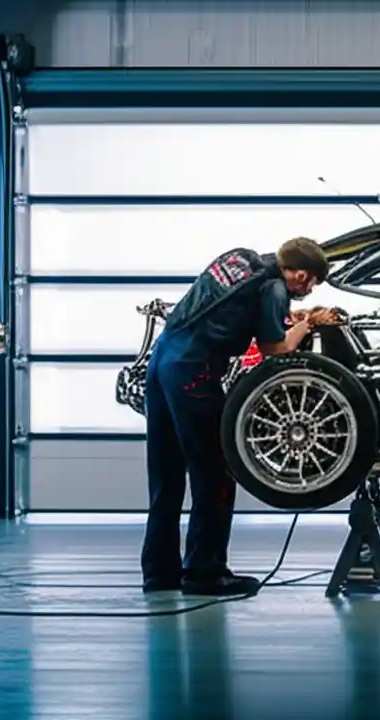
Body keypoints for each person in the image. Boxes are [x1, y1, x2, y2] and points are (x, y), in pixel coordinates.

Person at [141, 237, 335, 595]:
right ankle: (205, 572)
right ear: (303, 275)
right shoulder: (274, 287)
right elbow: (275, 348)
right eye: (311, 283)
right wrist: (307, 325)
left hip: (163, 358)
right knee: (215, 473)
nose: (307, 289)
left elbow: (232, 310)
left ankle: (159, 572)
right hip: (193, 372)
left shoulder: (243, 261)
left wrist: (289, 319)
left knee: (166, 474)